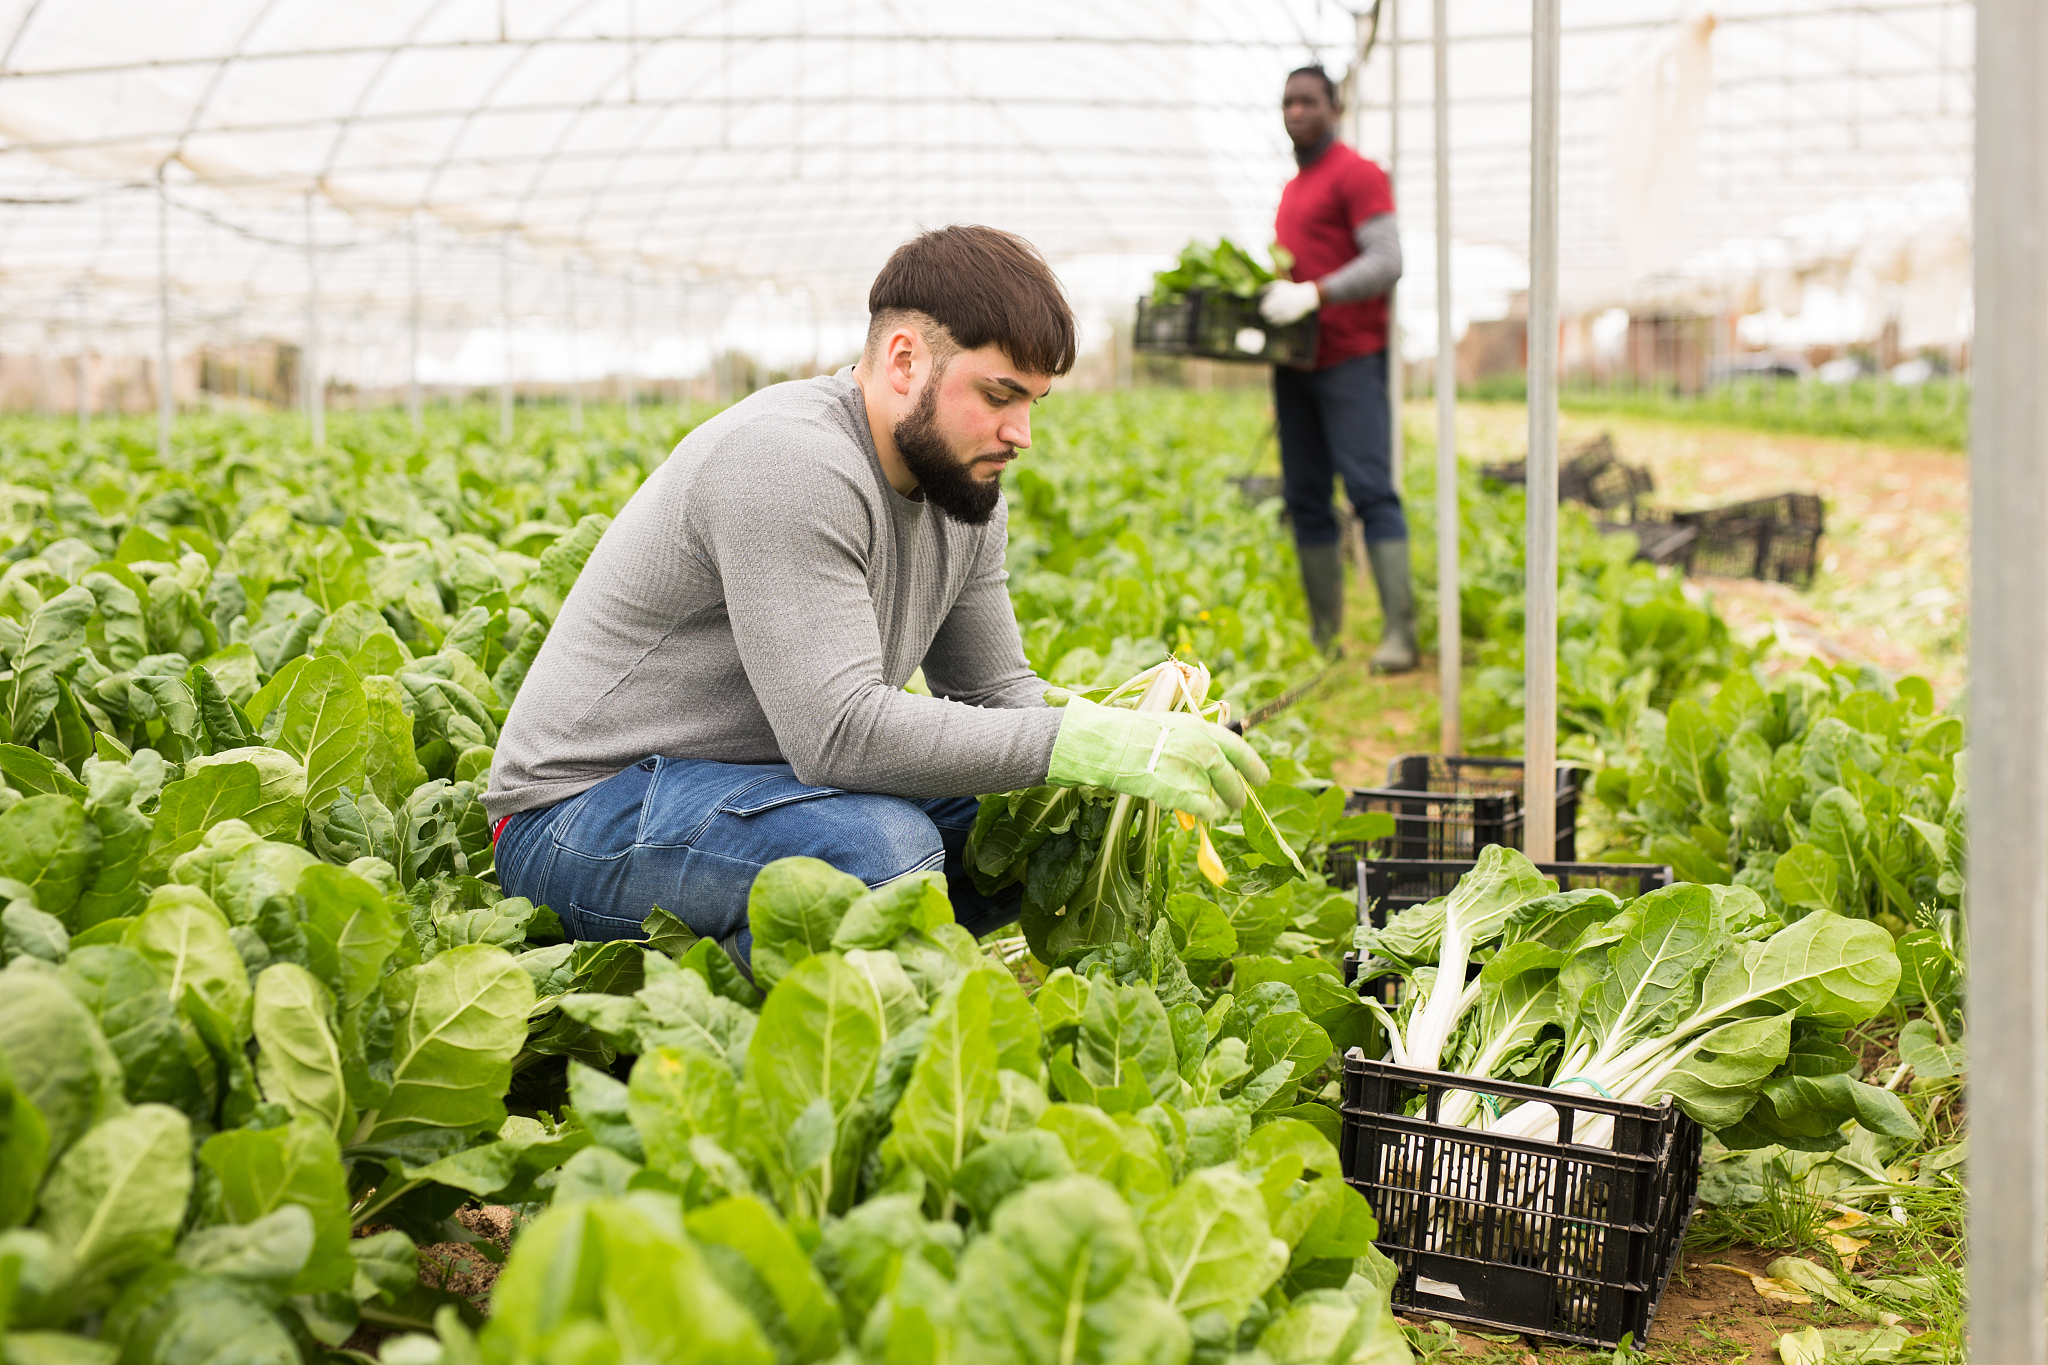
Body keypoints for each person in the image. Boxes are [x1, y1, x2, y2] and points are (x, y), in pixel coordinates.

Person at [485, 225, 1268, 977]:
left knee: (1033, 817)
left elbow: (998, 696)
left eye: (1033, 402)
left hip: (751, 785)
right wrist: (1089, 743)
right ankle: (709, 1021)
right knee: (880, 854)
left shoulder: (967, 490)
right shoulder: (789, 461)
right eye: (999, 394)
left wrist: (1130, 738)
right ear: (903, 361)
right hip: (582, 813)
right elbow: (839, 733)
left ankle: (884, 965)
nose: (1021, 432)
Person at [1258, 64, 1414, 672]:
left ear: (1334, 107)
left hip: (1350, 359)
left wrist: (1316, 294)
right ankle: (1327, 638)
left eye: (1308, 101)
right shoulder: (1293, 189)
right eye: (1288, 101)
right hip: (1296, 366)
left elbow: (1387, 260)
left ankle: (1399, 634)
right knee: (1306, 497)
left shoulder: (1358, 174)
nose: (1296, 111)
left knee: (1371, 490)